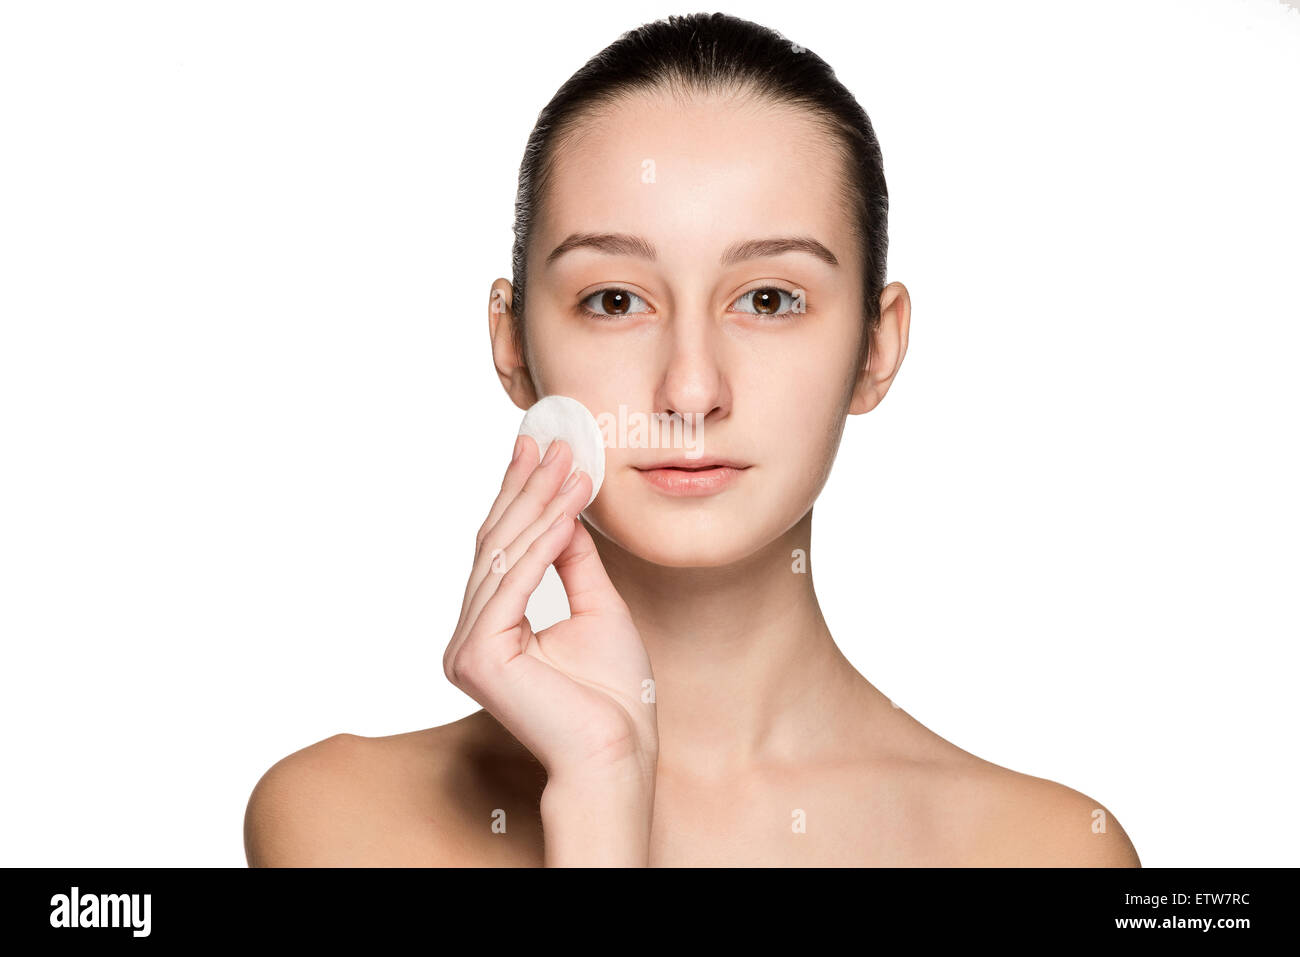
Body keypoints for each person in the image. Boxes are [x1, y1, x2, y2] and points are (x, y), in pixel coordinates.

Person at [244, 12, 1140, 867]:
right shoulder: (342, 818)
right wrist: (599, 791)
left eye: (769, 299)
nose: (691, 391)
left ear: (878, 345)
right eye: (616, 299)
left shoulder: (1047, 848)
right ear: (511, 342)